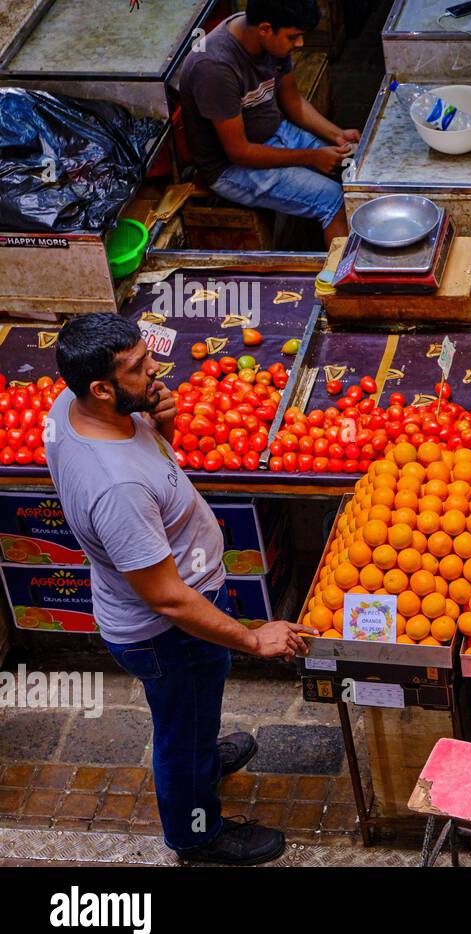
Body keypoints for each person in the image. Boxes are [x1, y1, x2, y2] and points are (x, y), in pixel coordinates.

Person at [46, 314, 316, 865]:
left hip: (176, 610)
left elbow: (150, 463)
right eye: (140, 369)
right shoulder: (115, 489)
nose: (157, 371)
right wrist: (252, 640)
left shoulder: (71, 408)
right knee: (182, 733)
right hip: (167, 632)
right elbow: (168, 599)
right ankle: (198, 834)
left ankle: (203, 755)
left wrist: (160, 427)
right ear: (101, 388)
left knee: (193, 714)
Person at [178, 0, 357, 243]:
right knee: (333, 201)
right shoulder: (214, 67)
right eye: (293, 37)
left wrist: (338, 135)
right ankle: (340, 280)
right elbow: (239, 152)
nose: (300, 44)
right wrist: (312, 156)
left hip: (275, 132)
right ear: (264, 29)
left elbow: (292, 101)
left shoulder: (267, 35)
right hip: (231, 168)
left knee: (350, 167)